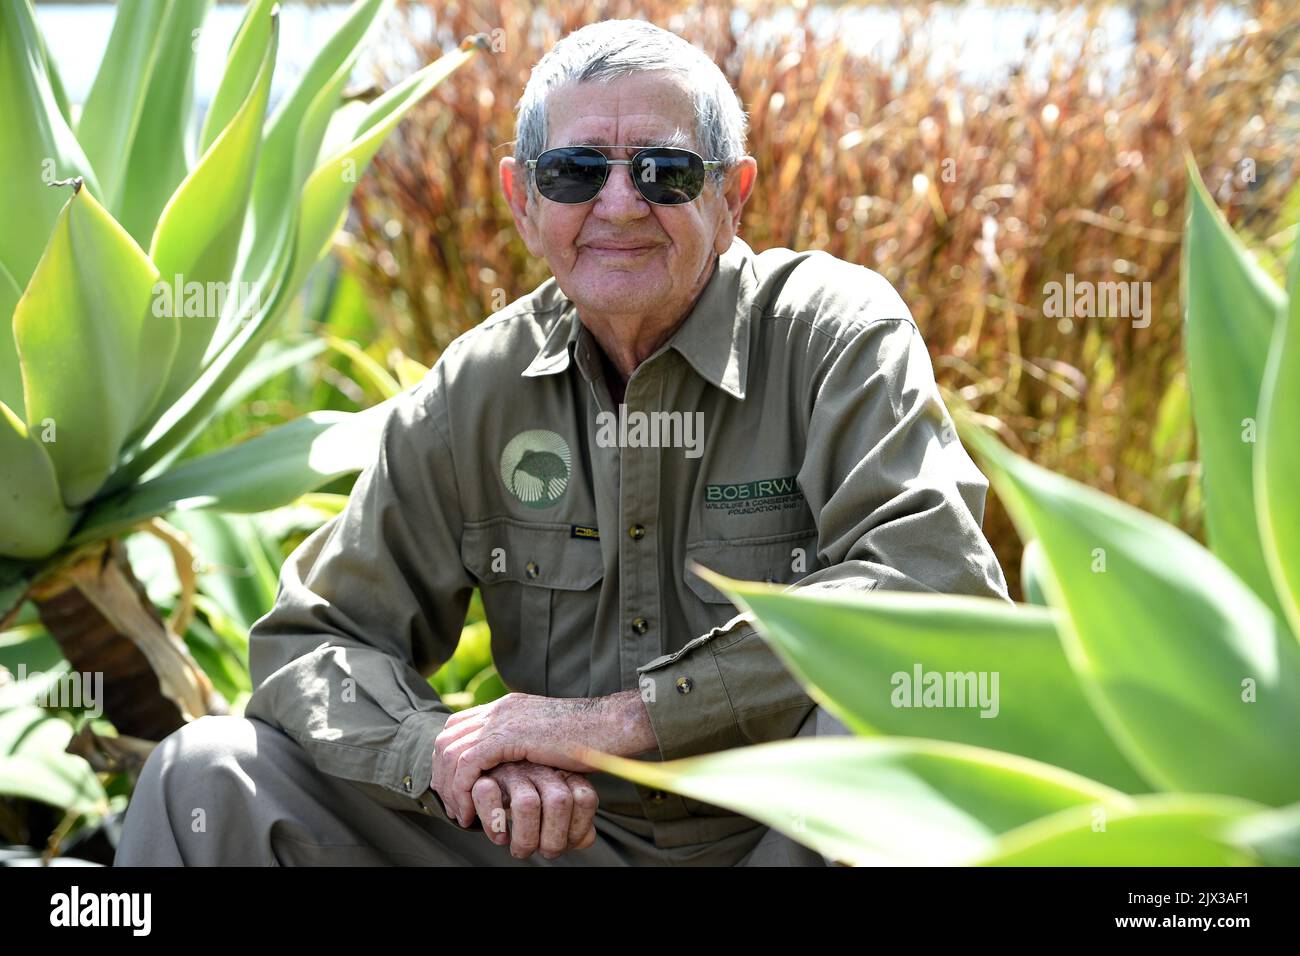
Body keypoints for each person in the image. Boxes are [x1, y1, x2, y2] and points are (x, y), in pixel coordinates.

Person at [115, 18, 1007, 867]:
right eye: (576, 171)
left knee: (888, 713)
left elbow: (937, 591)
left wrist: (620, 723)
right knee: (209, 773)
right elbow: (313, 639)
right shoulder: (479, 386)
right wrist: (444, 755)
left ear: (731, 197)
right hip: (553, 845)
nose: (619, 204)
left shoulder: (834, 333)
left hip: (793, 834)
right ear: (525, 199)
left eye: (665, 171)